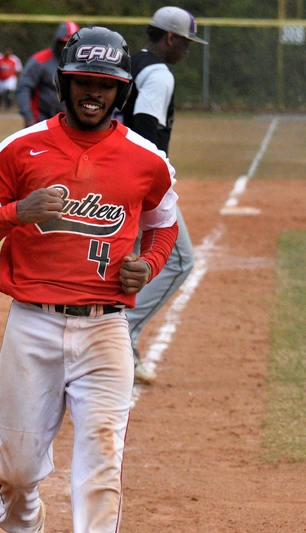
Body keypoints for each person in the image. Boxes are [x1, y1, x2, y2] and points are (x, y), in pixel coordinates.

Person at [0, 27, 179, 533]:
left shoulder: (146, 160)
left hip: (106, 329)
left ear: (120, 92)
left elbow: (163, 224)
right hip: (33, 325)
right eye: (83, 82)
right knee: (19, 469)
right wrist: (18, 213)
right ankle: (27, 528)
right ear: (65, 84)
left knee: (101, 465)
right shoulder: (21, 148)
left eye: (106, 85)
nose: (93, 94)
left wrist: (149, 266)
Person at [118, 6, 206, 385]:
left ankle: (112, 344)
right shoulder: (158, 73)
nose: (186, 49)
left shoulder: (130, 64)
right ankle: (120, 336)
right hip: (140, 181)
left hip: (115, 175)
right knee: (180, 260)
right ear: (170, 38)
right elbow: (144, 129)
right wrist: (152, 185)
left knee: (123, 264)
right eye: (185, 42)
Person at [15, 22, 79, 127]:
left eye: (71, 44)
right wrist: (28, 117)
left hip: (70, 123)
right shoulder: (40, 60)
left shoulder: (82, 64)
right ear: (57, 41)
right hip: (41, 121)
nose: (66, 47)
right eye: (63, 43)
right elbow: (24, 88)